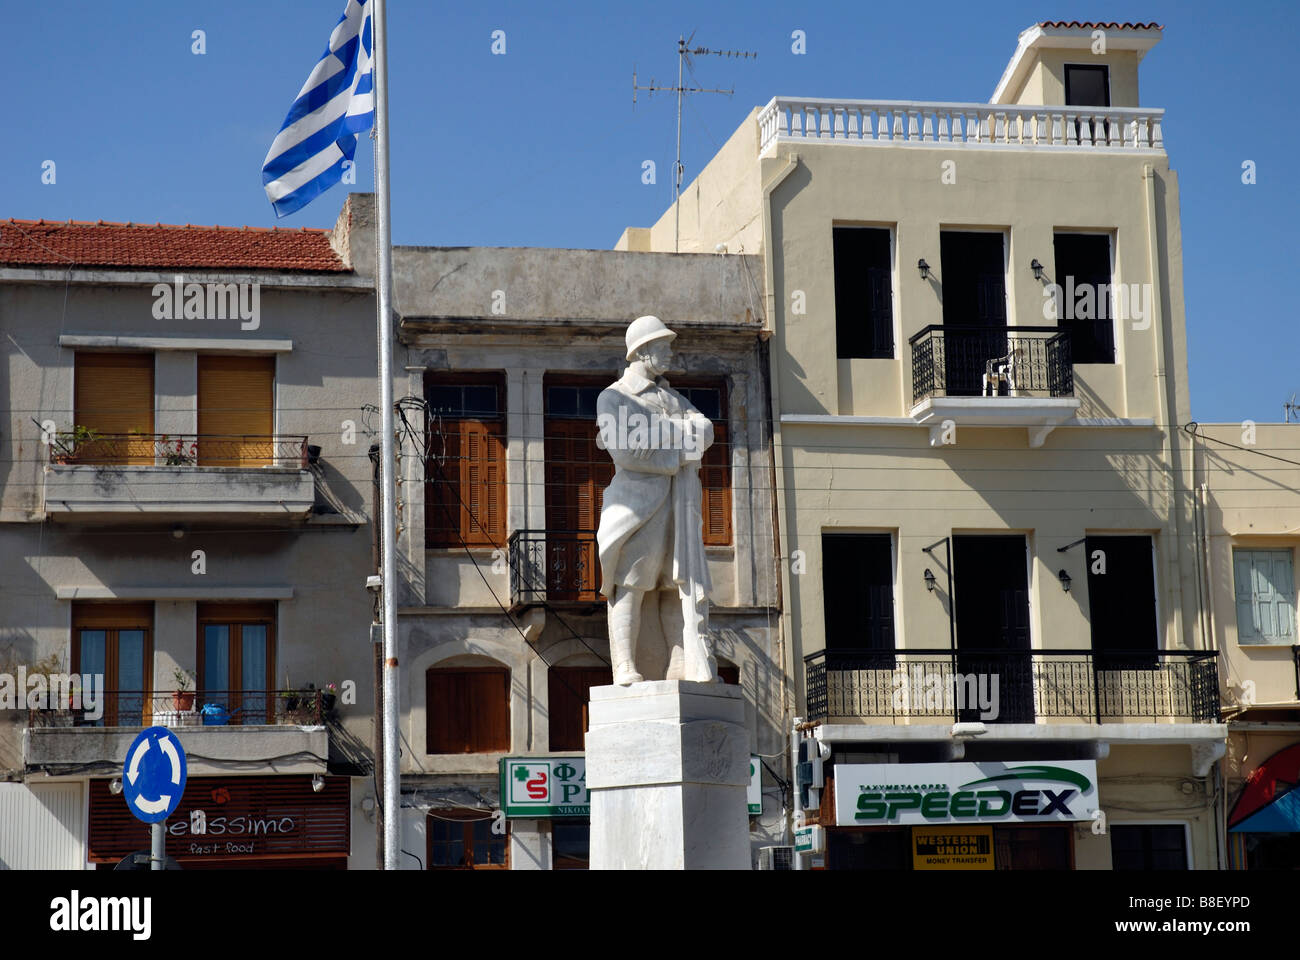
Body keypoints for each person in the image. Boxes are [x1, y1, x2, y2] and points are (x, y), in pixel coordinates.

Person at [595, 316, 717, 685]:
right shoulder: (615, 396)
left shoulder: (671, 397)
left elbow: (707, 431)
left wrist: (663, 434)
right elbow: (626, 451)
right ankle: (625, 667)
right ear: (643, 350)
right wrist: (679, 450)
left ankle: (681, 665)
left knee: (672, 583)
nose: (670, 353)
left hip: (679, 505)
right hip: (636, 507)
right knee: (631, 583)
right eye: (664, 347)